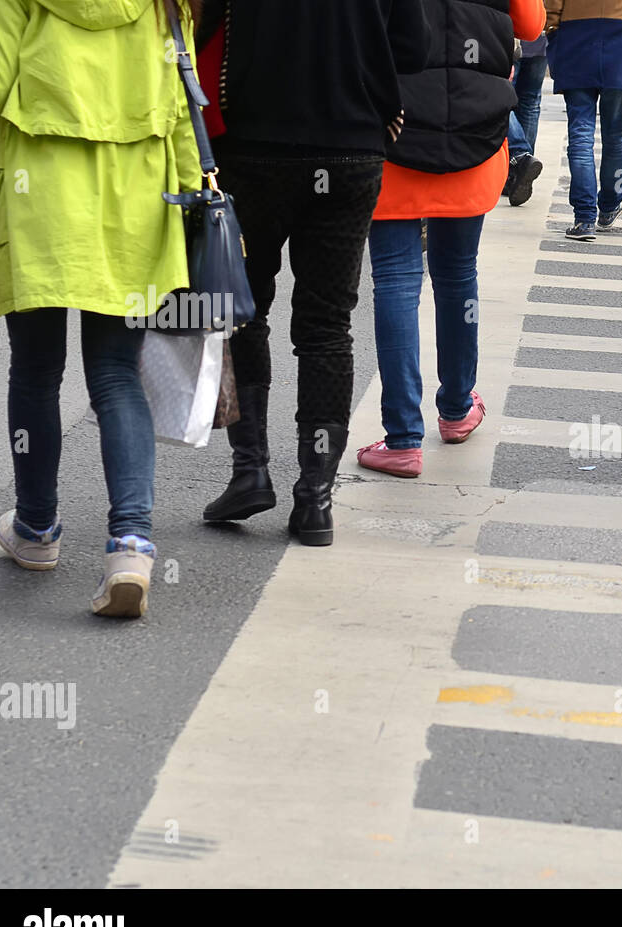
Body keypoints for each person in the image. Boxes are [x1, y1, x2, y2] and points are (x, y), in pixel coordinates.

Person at [0, 0, 203, 618]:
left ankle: (37, 529)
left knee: (36, 371)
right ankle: (131, 544)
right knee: (116, 375)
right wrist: (188, 200)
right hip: (134, 203)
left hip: (38, 197)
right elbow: (183, 104)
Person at [198, 0, 430, 547]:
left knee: (241, 312)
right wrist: (377, 99)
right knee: (327, 325)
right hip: (350, 146)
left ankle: (250, 469)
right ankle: (315, 498)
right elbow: (411, 50)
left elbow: (198, 26)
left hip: (252, 143)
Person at [356, 0, 546, 480]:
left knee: (396, 281)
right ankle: (458, 408)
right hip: (474, 134)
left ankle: (401, 439)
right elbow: (530, 24)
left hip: (393, 131)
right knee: (458, 273)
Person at [545, 0, 622, 241]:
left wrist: (552, 27)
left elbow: (553, 5)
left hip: (576, 34)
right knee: (616, 135)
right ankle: (610, 204)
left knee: (580, 134)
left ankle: (584, 218)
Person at [504, 32, 548, 207]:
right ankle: (523, 166)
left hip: (511, 37)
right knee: (530, 103)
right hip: (539, 37)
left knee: (502, 98)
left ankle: (520, 159)